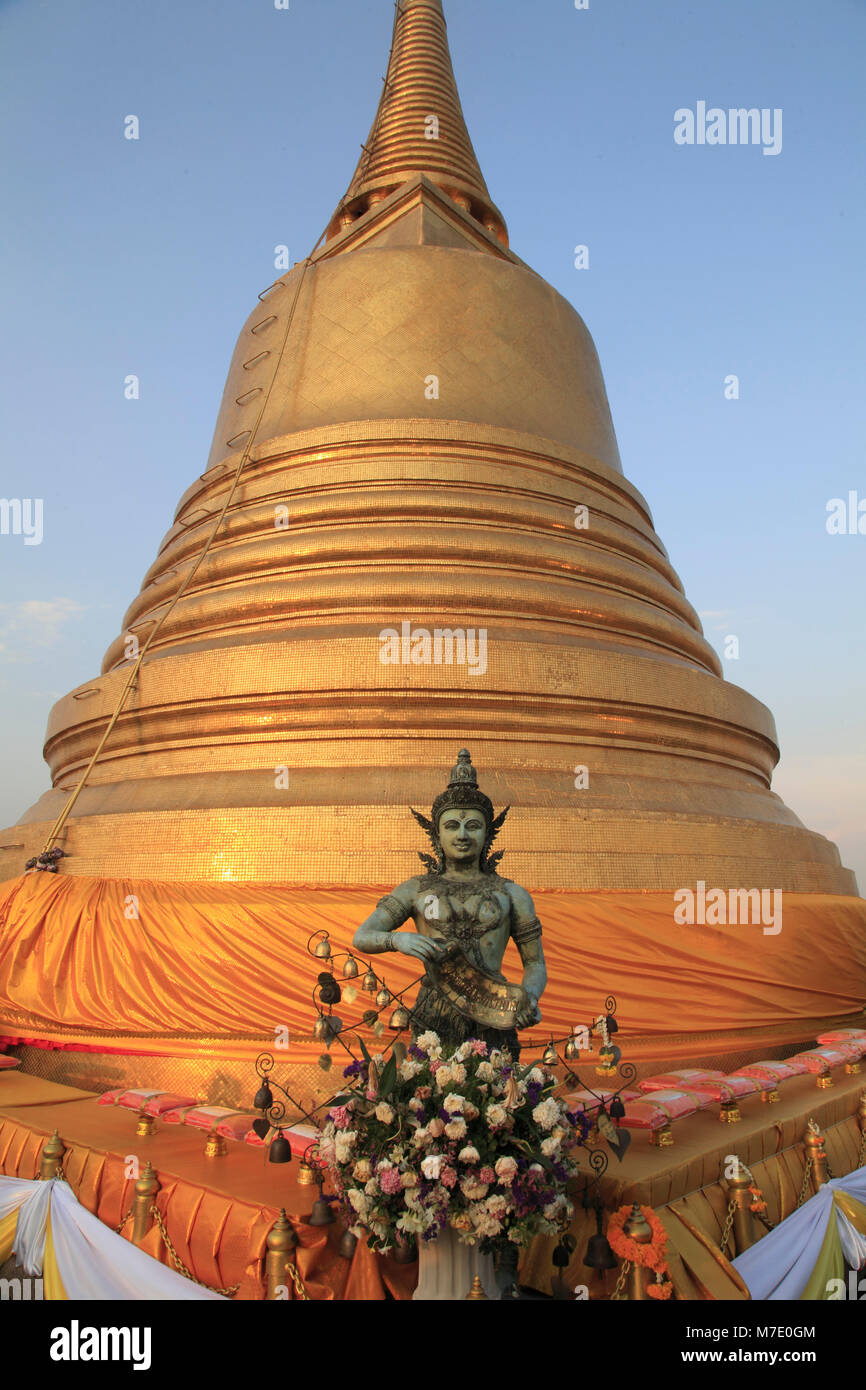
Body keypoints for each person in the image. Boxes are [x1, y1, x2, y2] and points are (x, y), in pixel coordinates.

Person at [352, 750, 547, 1054]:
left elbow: (534, 962)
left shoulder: (512, 894)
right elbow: (362, 936)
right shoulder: (416, 890)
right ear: (436, 833)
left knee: (496, 1095)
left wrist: (529, 998)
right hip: (434, 1011)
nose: (463, 835)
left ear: (488, 833)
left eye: (473, 825)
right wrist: (396, 940)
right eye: (452, 825)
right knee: (429, 1094)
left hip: (494, 1009)